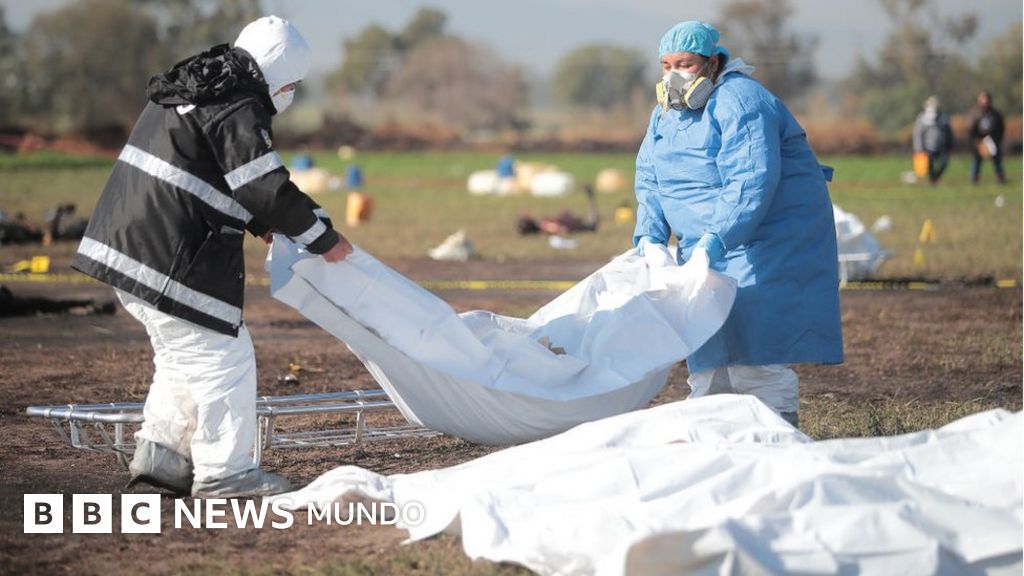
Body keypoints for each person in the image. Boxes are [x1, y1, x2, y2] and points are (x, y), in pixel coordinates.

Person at [71, 16, 353, 498]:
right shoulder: (236, 101)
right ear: (279, 73)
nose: (289, 94)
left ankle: (162, 461)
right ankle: (227, 474)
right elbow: (264, 185)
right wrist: (323, 238)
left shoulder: (200, 84)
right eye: (291, 84)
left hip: (127, 246)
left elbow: (210, 174)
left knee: (183, 357)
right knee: (224, 357)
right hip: (170, 254)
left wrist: (258, 223)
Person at [633, 21, 843, 427]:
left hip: (762, 244)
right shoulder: (664, 117)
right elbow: (651, 178)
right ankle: (715, 448)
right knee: (709, 357)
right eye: (666, 65)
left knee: (755, 355)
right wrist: (651, 238)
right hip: (704, 245)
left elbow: (750, 181)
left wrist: (714, 242)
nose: (674, 74)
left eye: (686, 64)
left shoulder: (742, 102)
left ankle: (778, 438)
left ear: (712, 63)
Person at [912, 96, 954, 184]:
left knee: (944, 162)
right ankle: (932, 179)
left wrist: (951, 144)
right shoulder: (922, 118)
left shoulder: (943, 118)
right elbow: (918, 135)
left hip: (941, 147)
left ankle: (936, 176)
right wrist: (919, 148)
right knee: (929, 164)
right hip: (928, 147)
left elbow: (949, 132)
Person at [968, 90, 1007, 184]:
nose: (985, 101)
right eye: (983, 99)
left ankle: (1000, 178)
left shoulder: (995, 114)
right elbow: (971, 128)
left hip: (993, 141)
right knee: (977, 161)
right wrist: (976, 140)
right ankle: (974, 178)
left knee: (997, 161)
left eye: (986, 99)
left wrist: (997, 140)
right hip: (979, 141)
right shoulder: (975, 113)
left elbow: (1001, 127)